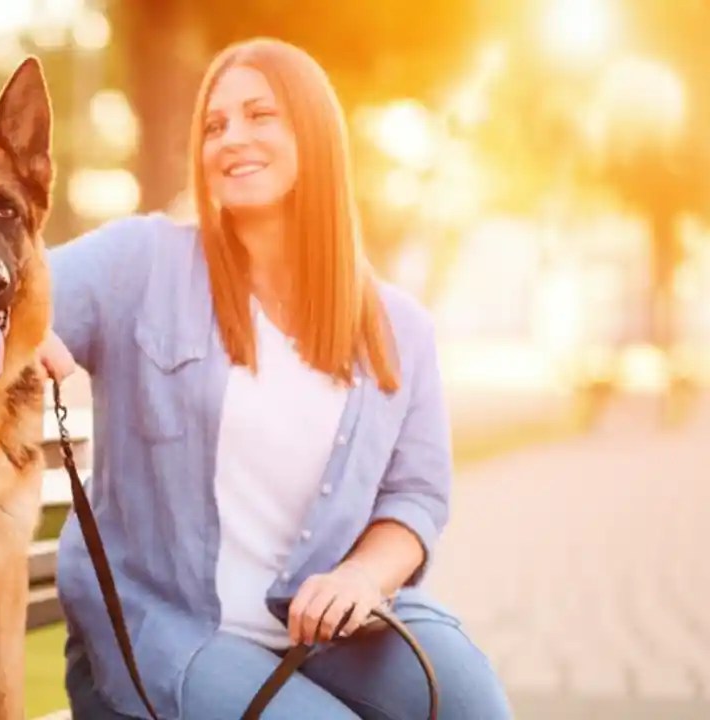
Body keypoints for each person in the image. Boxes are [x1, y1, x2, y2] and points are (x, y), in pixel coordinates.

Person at [38, 38, 512, 719]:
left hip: (321, 632)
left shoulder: (400, 328)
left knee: (473, 710)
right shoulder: (140, 264)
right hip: (170, 632)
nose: (233, 138)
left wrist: (360, 576)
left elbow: (416, 498)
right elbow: (13, 296)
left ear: (313, 134)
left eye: (260, 115)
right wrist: (20, 336)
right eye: (215, 124)